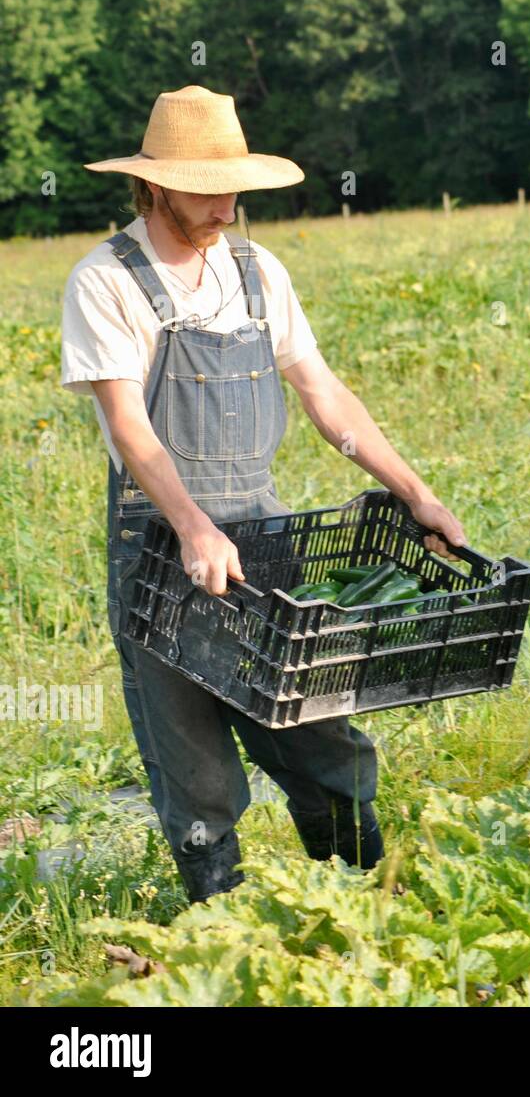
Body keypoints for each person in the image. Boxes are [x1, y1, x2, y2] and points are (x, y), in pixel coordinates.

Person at [62, 85, 466, 903]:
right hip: (159, 550)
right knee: (195, 762)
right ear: (155, 184)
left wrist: (415, 490)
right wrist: (193, 527)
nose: (226, 206)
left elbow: (323, 395)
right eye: (206, 189)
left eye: (234, 187)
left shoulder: (257, 270)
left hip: (267, 535)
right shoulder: (105, 280)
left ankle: (360, 905)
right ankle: (229, 928)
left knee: (317, 727)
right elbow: (130, 428)